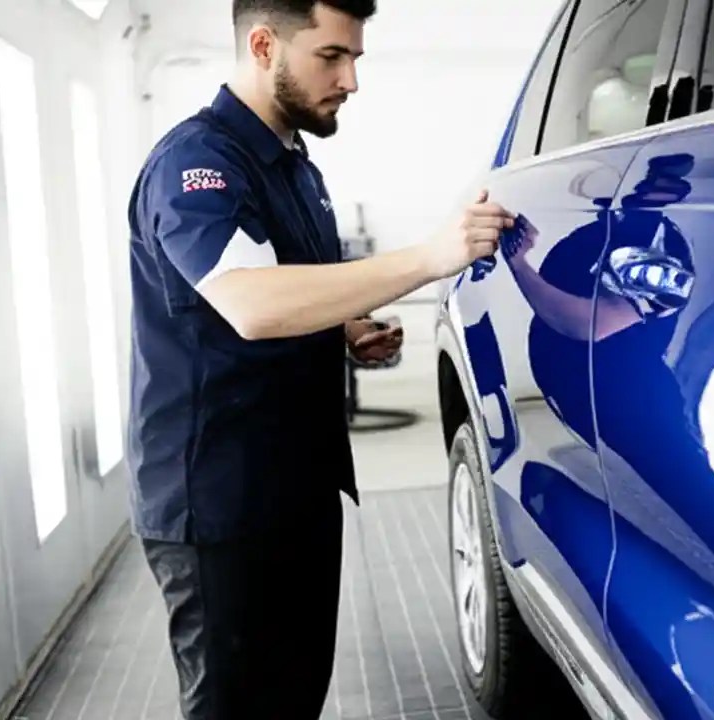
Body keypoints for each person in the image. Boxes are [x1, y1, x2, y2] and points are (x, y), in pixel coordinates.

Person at [125, 1, 513, 717]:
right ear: (265, 45)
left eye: (355, 58)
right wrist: (432, 256)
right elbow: (252, 302)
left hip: (296, 488)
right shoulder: (196, 164)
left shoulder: (296, 167)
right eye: (332, 57)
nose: (351, 80)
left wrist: (346, 327)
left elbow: (288, 280)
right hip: (219, 504)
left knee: (295, 698)